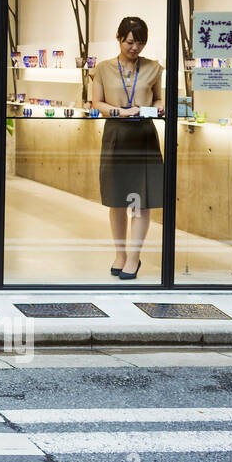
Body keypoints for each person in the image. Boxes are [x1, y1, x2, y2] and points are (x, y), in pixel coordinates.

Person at [90, 16, 164, 280]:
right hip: (116, 133)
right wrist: (118, 111)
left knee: (142, 201)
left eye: (140, 42)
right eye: (130, 41)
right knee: (117, 200)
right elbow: (95, 102)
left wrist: (155, 107)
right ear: (119, 38)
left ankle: (134, 257)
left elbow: (158, 98)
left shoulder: (154, 68)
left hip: (143, 135)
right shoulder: (102, 68)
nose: (135, 47)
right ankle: (120, 254)